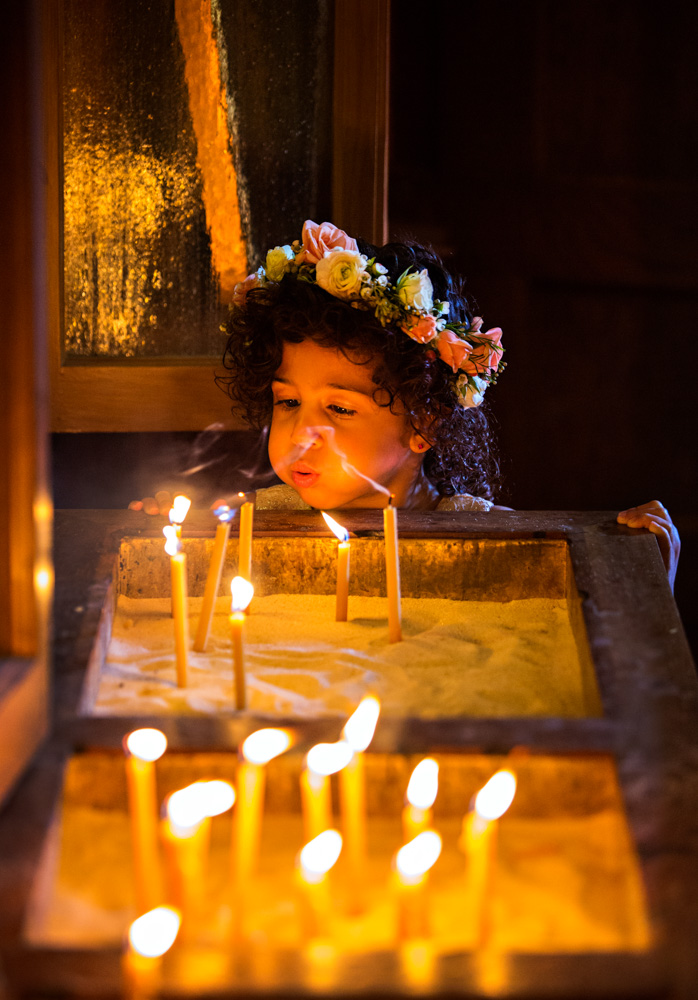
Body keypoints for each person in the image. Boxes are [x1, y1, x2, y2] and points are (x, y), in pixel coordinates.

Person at [130, 219, 680, 589]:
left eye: (340, 409)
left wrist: (649, 572)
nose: (301, 433)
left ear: (425, 422)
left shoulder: (497, 537)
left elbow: (591, 616)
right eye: (289, 400)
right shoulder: (255, 522)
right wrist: (169, 538)